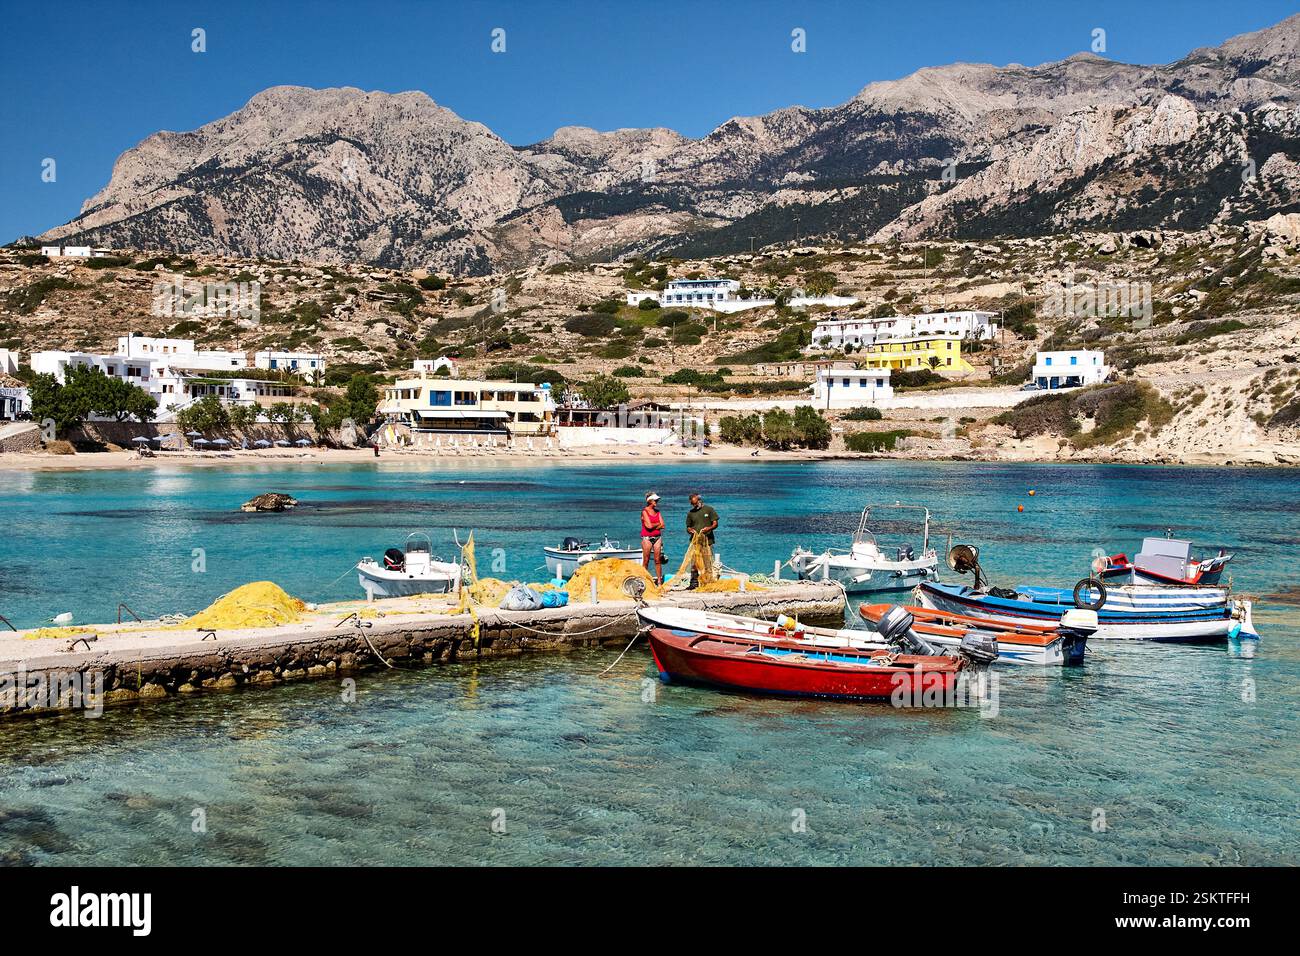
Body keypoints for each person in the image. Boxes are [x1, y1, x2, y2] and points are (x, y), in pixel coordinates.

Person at [685, 493, 719, 589]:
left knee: (707, 562)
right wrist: (690, 530)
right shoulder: (690, 513)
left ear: (699, 500)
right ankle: (694, 583)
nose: (694, 505)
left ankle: (708, 582)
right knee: (694, 563)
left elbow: (715, 524)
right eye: (692, 504)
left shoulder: (709, 509)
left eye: (696, 503)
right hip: (695, 542)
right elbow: (688, 527)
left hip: (708, 541)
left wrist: (709, 528)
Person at [641, 492, 666, 586]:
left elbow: (663, 525)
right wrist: (657, 524)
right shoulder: (644, 511)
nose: (657, 502)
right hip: (647, 538)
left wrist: (654, 525)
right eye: (655, 500)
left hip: (657, 537)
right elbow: (648, 526)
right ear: (650, 501)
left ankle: (659, 581)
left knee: (657, 560)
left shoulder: (658, 512)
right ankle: (643, 581)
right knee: (646, 560)